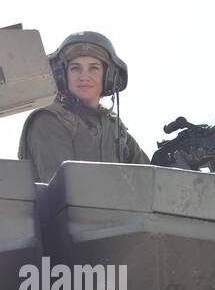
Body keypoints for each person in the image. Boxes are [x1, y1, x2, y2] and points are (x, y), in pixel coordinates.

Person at [18, 31, 148, 182]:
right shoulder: (49, 120)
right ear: (62, 76)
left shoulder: (114, 129)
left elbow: (151, 181)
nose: (84, 76)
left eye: (94, 68)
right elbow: (64, 190)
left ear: (109, 77)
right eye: (75, 68)